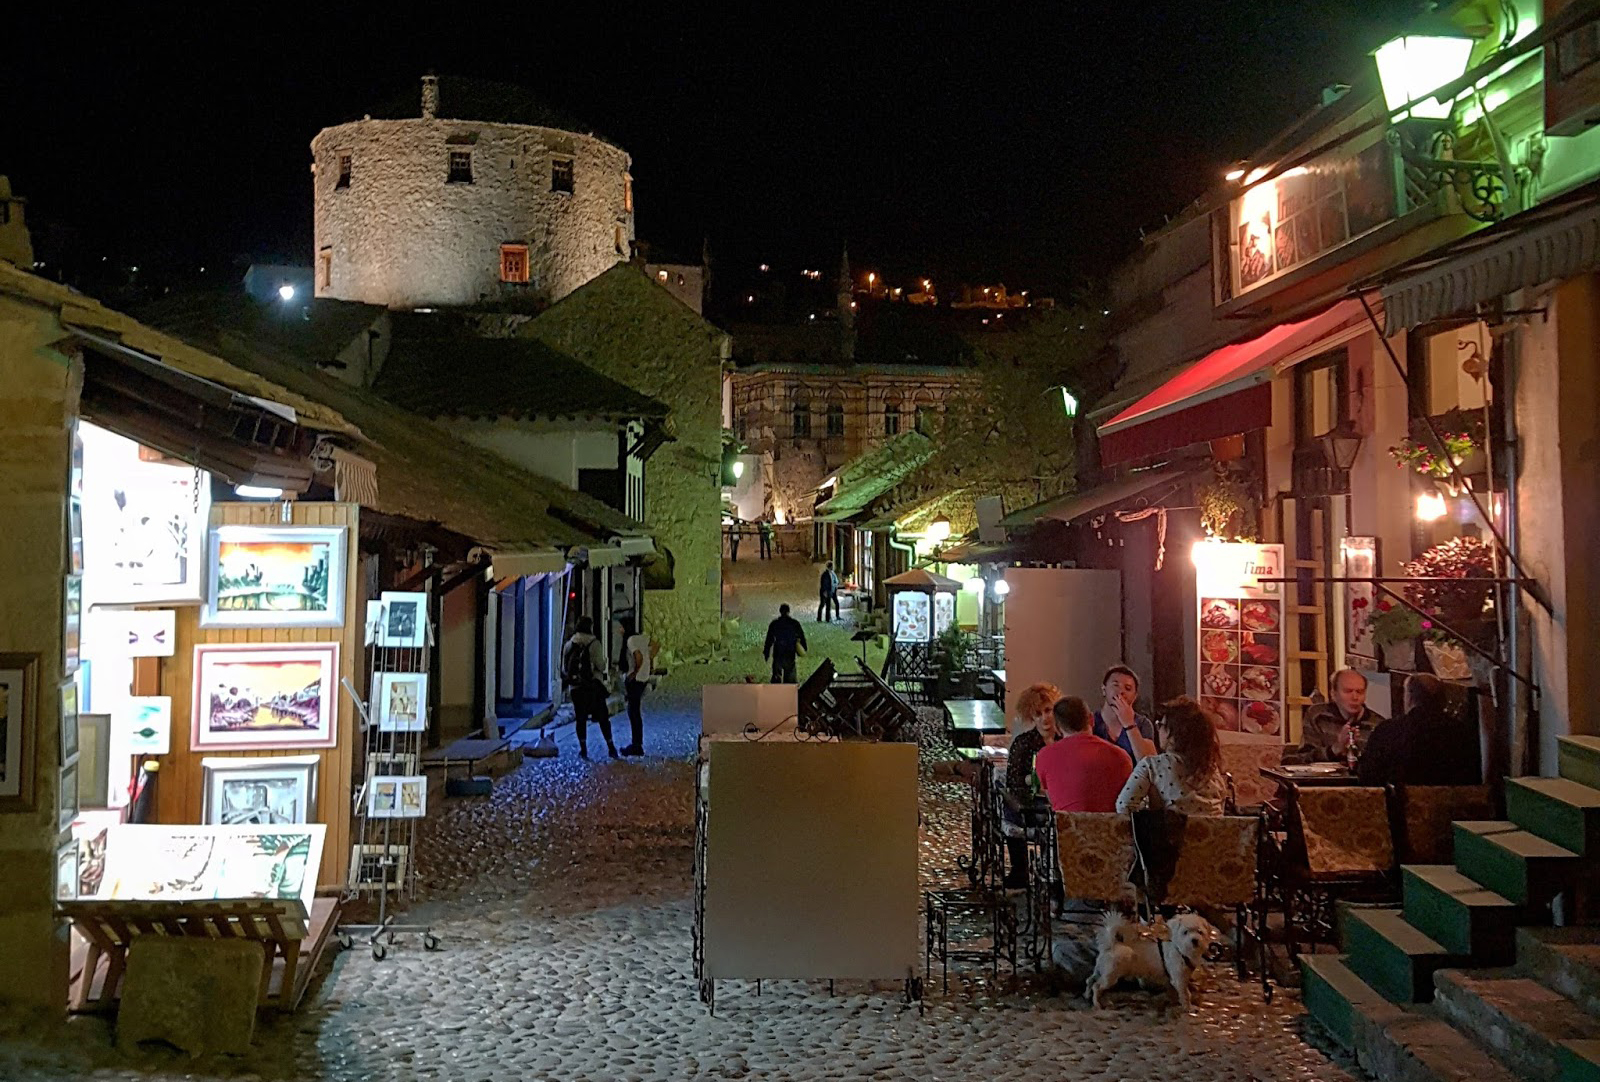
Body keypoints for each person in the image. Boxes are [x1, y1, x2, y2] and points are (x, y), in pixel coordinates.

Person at [1357, 673, 1481, 786]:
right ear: (1442, 700)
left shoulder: (1388, 730)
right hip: (1449, 807)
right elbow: (1472, 776)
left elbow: (1367, 776)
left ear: (1409, 698)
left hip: (1399, 806)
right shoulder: (1462, 732)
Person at [1116, 697, 1227, 816]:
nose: (1158, 730)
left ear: (1172, 732)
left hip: (1173, 834)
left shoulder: (1152, 765)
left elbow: (1124, 806)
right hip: (1213, 834)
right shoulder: (1214, 771)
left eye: (1161, 725)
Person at [1001, 682, 1061, 888]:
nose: (1045, 717)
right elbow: (1014, 783)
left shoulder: (1065, 740)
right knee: (1014, 811)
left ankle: (1054, 871)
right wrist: (1031, 781)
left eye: (1048, 711)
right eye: (1038, 713)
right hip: (1032, 801)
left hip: (1059, 800)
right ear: (1031, 717)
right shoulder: (1024, 744)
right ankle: (1021, 869)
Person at [1033, 696, 1133, 813]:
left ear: (1057, 728)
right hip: (1109, 829)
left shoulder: (1044, 756)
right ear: (1091, 719)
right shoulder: (1121, 756)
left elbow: (1052, 799)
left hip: (1068, 830)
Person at [1285, 668, 1387, 764]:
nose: (1355, 697)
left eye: (1359, 692)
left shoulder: (1378, 725)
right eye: (1348, 691)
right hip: (1323, 781)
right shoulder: (1318, 715)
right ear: (1334, 694)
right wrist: (1335, 749)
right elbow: (1304, 759)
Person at [562, 616, 615, 759]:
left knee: (580, 718)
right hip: (592, 686)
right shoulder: (594, 643)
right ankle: (611, 747)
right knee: (603, 718)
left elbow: (564, 667)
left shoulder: (569, 644)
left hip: (576, 688)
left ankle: (583, 749)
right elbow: (602, 666)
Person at [1091, 666, 1159, 766]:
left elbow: (1149, 764)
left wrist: (1129, 724)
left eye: (1128, 688)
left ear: (1135, 696)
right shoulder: (1089, 721)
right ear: (1104, 689)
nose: (1121, 691)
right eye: (1115, 685)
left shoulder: (1143, 724)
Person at [619, 617, 655, 757]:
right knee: (635, 711)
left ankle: (636, 745)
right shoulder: (642, 638)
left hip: (636, 679)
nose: (619, 630)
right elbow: (656, 646)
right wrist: (650, 662)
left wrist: (634, 672)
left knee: (633, 712)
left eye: (621, 627)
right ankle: (637, 744)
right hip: (644, 677)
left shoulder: (630, 640)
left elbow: (638, 656)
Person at [763, 603, 808, 683]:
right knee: (790, 676)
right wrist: (804, 648)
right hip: (789, 652)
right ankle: (789, 691)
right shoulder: (794, 623)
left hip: (778, 652)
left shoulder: (775, 624)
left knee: (777, 676)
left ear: (780, 611)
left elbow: (769, 640)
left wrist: (766, 653)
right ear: (788, 611)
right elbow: (801, 636)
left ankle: (776, 691)